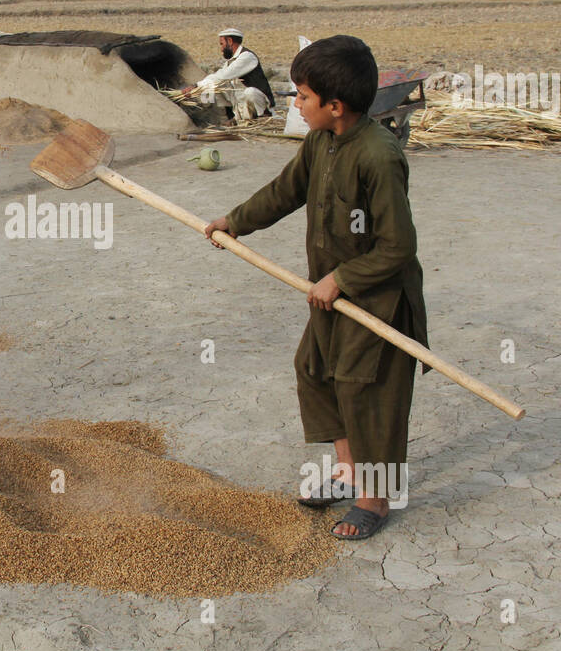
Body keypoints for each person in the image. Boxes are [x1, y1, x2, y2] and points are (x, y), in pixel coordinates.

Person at [201, 35, 428, 539]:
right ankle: (349, 474)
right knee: (316, 371)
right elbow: (287, 191)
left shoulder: (378, 156)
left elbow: (398, 247)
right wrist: (235, 221)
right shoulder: (320, 142)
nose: (295, 104)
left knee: (366, 393)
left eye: (302, 96)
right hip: (330, 294)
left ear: (335, 105)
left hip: (378, 300)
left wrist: (343, 278)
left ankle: (375, 500)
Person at [181, 28, 275, 122]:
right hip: (242, 107)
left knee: (250, 92)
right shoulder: (230, 61)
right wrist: (197, 90)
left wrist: (196, 86)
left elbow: (222, 76)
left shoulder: (247, 57)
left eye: (222, 44)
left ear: (229, 41)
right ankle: (228, 117)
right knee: (213, 88)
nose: (221, 49)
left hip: (258, 104)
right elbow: (217, 76)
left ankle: (263, 115)